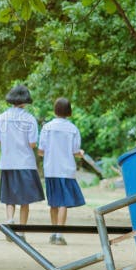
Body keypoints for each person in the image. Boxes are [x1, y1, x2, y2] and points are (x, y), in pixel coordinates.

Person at [0, 85, 45, 236]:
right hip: (25, 162)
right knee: (25, 200)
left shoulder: (1, 117)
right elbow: (32, 144)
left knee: (9, 197)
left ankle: (10, 220)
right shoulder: (29, 119)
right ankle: (22, 231)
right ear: (26, 101)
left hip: (7, 162)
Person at [38, 97, 85, 246]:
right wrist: (81, 153)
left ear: (55, 110)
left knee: (53, 203)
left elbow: (40, 151)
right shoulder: (73, 129)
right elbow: (75, 151)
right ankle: (59, 234)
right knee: (64, 202)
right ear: (69, 111)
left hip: (51, 169)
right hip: (66, 170)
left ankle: (54, 233)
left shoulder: (47, 127)